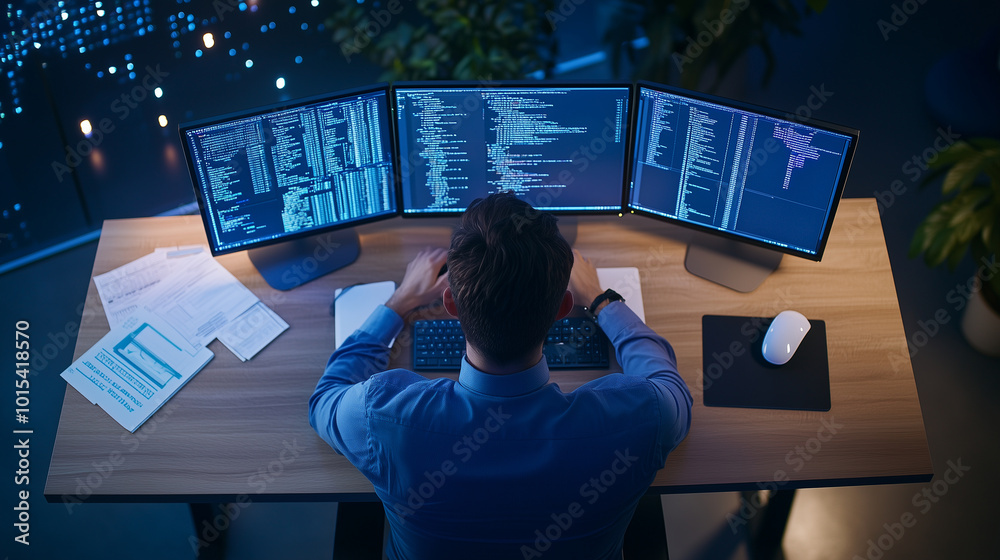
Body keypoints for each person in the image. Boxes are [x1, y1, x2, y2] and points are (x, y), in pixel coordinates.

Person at [309, 192, 692, 560]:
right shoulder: (642, 419)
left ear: (450, 304)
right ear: (562, 307)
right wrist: (602, 300)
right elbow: (670, 386)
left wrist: (401, 300)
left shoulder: (380, 414)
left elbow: (326, 398)